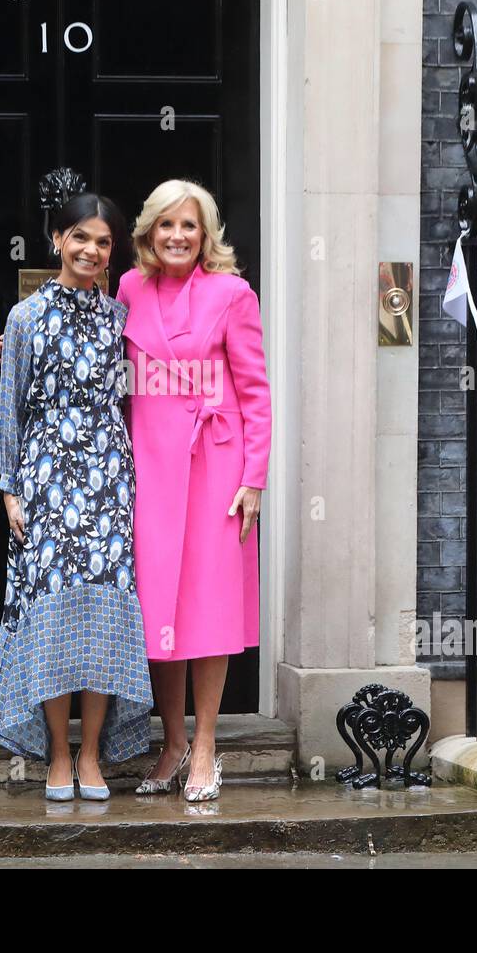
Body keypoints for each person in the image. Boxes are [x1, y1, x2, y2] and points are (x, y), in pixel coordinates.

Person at [0, 187, 153, 801]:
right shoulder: (25, 318)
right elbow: (10, 409)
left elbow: (141, 397)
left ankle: (91, 756)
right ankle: (58, 754)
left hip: (109, 480)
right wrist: (10, 491)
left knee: (104, 618)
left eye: (102, 241)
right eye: (79, 237)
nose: (90, 249)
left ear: (114, 253)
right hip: (47, 481)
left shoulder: (120, 319)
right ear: (57, 240)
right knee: (54, 620)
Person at [117, 179, 271, 802]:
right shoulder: (128, 288)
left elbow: (256, 391)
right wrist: (15, 346)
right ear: (149, 233)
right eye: (166, 225)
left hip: (215, 469)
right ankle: (172, 740)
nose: (177, 236)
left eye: (189, 226)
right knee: (159, 612)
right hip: (148, 467)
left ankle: (206, 743)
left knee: (207, 611)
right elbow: (90, 344)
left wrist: (253, 479)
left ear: (206, 235)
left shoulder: (233, 294)